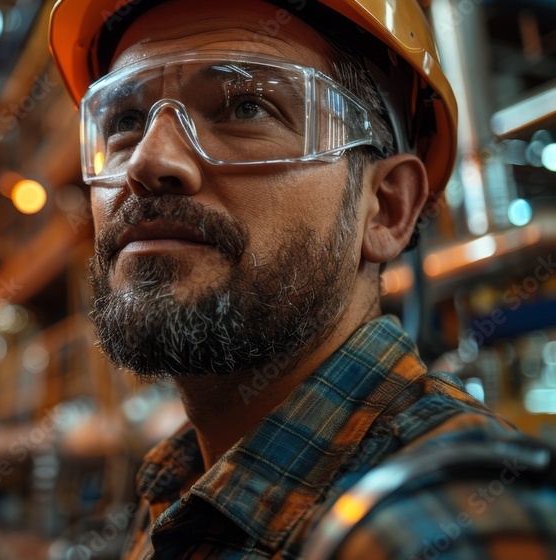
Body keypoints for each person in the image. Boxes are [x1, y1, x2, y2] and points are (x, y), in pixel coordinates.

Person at [48, 0, 556, 558]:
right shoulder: (180, 486)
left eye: (246, 107)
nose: (147, 163)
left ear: (385, 209)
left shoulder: (451, 525)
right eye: (124, 122)